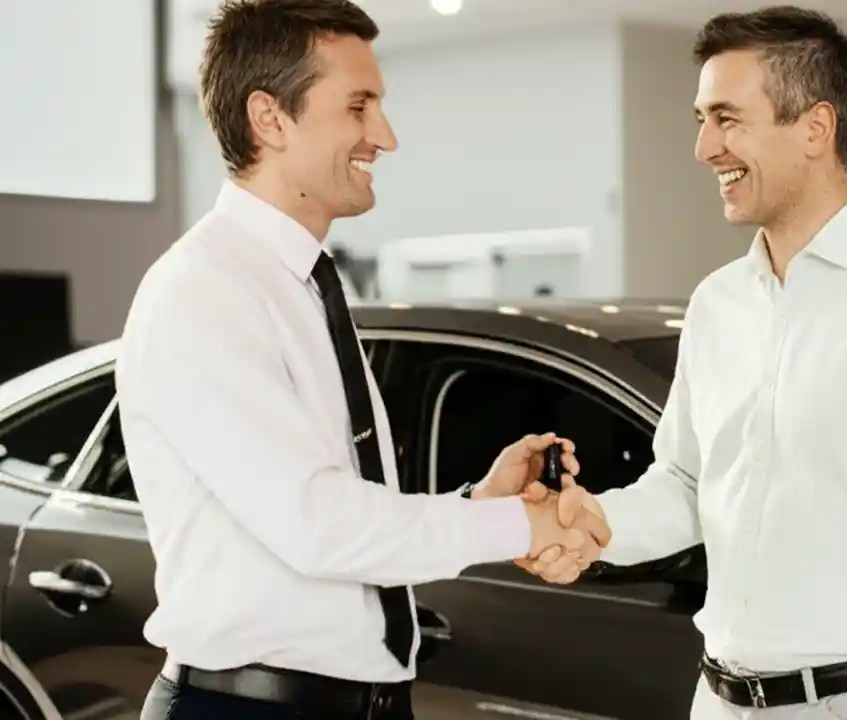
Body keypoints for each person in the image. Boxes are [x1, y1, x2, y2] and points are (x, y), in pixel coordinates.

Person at [525, 6, 847, 719]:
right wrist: (597, 523)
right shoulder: (716, 304)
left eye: (727, 119)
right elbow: (688, 482)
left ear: (816, 128)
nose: (704, 148)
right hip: (718, 699)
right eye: (701, 118)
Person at [117, 2, 607, 718]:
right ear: (270, 119)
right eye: (359, 106)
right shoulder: (202, 292)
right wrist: (523, 527)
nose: (385, 136)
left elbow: (337, 510)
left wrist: (476, 508)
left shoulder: (302, 283)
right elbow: (319, 525)